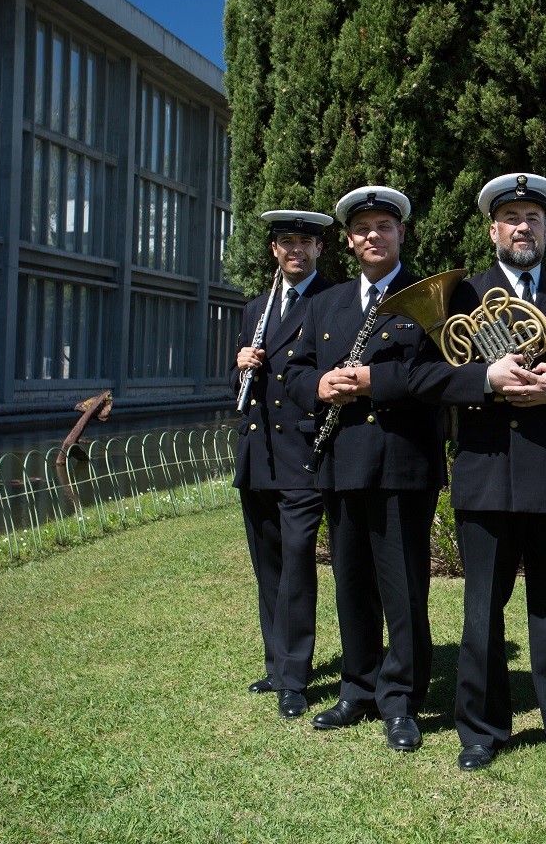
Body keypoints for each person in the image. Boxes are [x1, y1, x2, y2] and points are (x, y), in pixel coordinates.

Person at [409, 172, 546, 780]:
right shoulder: (461, 298)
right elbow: (421, 379)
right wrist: (484, 379)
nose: (522, 227)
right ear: (493, 230)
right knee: (481, 611)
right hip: (485, 473)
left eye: (533, 217)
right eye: (511, 219)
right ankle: (480, 731)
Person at [283, 185, 445, 753]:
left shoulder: (428, 297)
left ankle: (400, 699)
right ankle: (359, 686)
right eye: (362, 229)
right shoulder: (324, 303)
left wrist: (379, 383)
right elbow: (295, 372)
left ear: (403, 233)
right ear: (349, 241)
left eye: (384, 226)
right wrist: (318, 385)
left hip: (404, 462)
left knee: (402, 587)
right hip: (342, 461)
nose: (373, 236)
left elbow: (442, 376)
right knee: (351, 584)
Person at [231, 209, 336, 720]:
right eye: (286, 242)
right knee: (267, 564)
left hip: (302, 454)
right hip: (258, 455)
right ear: (274, 250)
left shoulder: (331, 302)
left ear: (320, 250)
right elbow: (245, 390)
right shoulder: (258, 306)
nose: (295, 250)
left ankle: (295, 677)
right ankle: (276, 663)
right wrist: (239, 367)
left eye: (305, 242)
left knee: (297, 564)